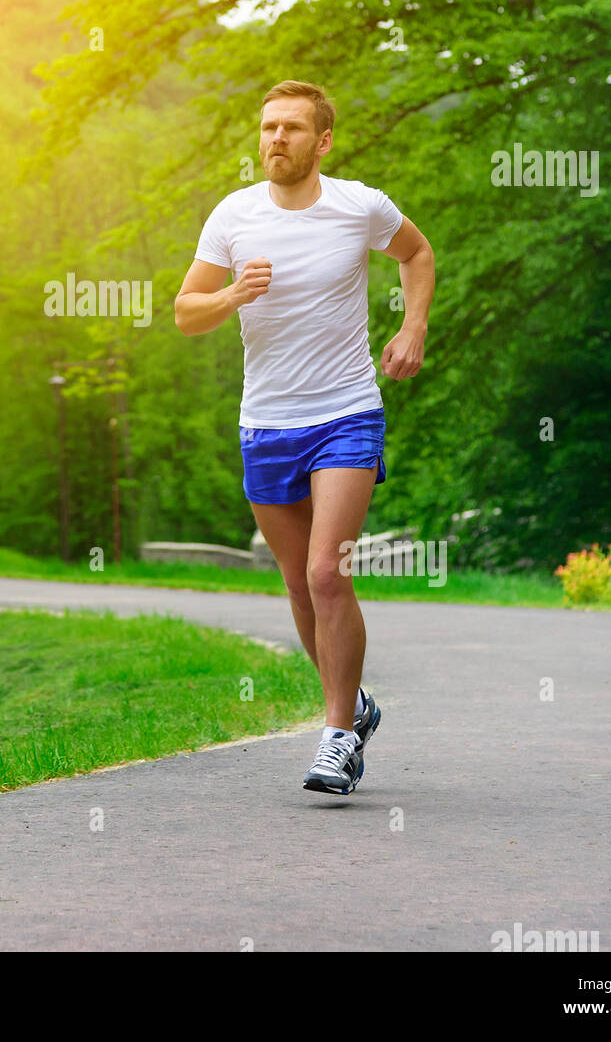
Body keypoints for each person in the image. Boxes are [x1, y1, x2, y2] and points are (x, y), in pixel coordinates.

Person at [174, 80, 434, 794]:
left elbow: (417, 254)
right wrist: (230, 295)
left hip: (347, 412)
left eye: (291, 128)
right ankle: (352, 706)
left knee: (326, 572)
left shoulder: (360, 206)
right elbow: (185, 312)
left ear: (322, 141)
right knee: (295, 582)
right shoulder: (234, 215)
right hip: (266, 422)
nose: (275, 139)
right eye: (266, 128)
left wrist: (411, 327)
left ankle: (336, 737)